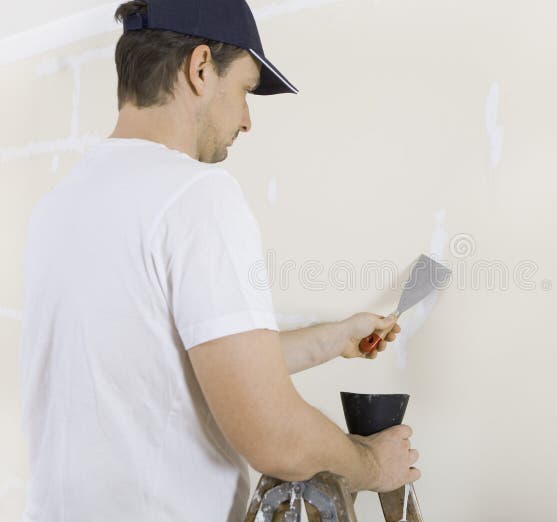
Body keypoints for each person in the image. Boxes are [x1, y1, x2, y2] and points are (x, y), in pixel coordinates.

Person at [18, 0, 420, 520]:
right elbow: (276, 438)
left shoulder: (62, 204)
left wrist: (331, 338)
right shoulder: (196, 196)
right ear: (201, 67)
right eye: (246, 90)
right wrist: (372, 463)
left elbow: (179, 360)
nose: (248, 120)